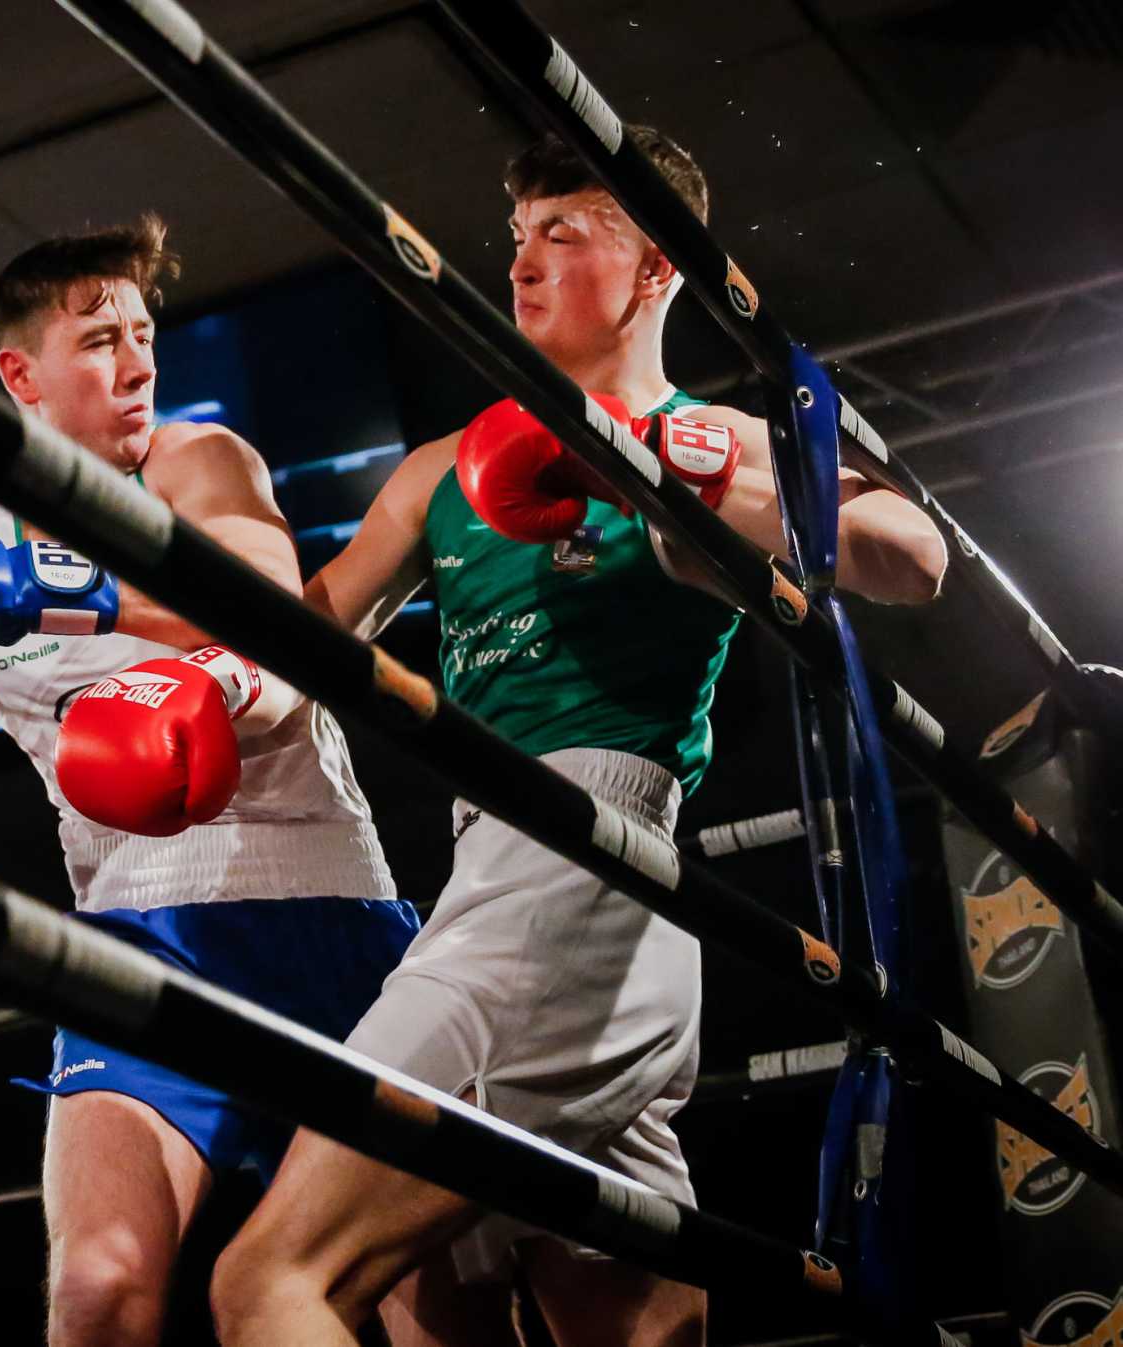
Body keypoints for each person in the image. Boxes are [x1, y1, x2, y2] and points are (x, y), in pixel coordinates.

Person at [207, 127, 949, 1347]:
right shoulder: (443, 469)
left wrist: (659, 473)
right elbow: (307, 642)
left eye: (564, 231)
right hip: (499, 876)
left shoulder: (718, 436)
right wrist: (178, 682)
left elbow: (915, 559)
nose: (522, 260)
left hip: (583, 877)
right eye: (517, 235)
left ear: (657, 267)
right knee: (495, 1318)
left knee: (269, 1282)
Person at [0, 215, 417, 1347]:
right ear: (21, 374)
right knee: (98, 1290)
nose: (138, 365)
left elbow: (276, 632)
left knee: (426, 1306)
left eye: (143, 335)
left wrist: (50, 583)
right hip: (137, 944)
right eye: (100, 341)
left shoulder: (200, 464)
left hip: (323, 912)